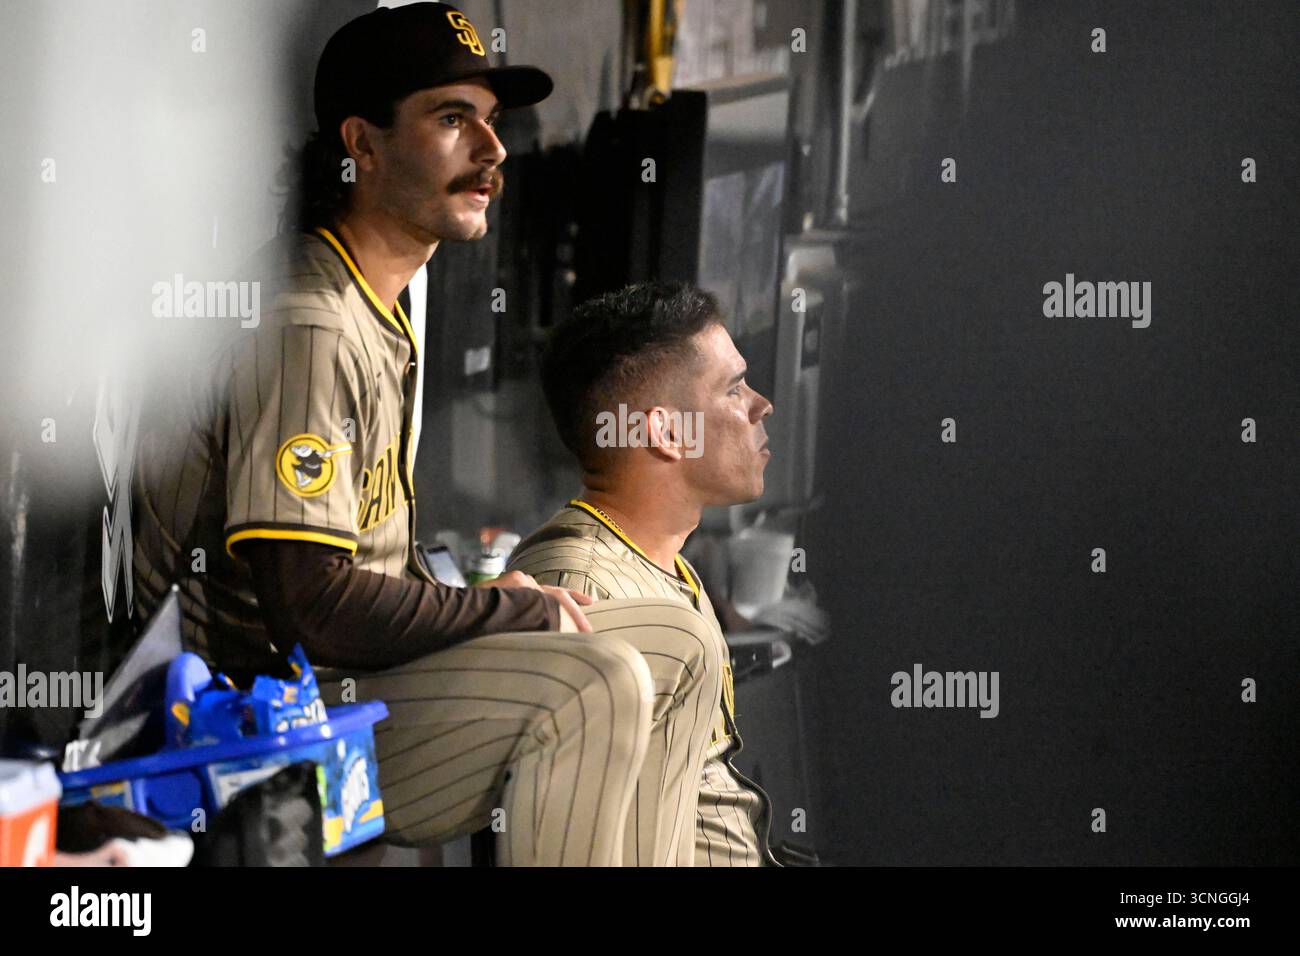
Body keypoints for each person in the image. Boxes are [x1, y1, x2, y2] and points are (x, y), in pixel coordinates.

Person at [133, 3, 723, 866]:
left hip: (354, 692)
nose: (493, 153)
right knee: (595, 683)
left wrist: (485, 611)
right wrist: (505, 608)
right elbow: (311, 607)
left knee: (679, 641)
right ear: (362, 146)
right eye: (453, 120)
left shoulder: (377, 305)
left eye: (491, 123)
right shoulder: (311, 322)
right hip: (260, 728)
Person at [508, 281, 781, 865]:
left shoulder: (664, 564)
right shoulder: (580, 587)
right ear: (664, 433)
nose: (762, 405)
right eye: (734, 388)